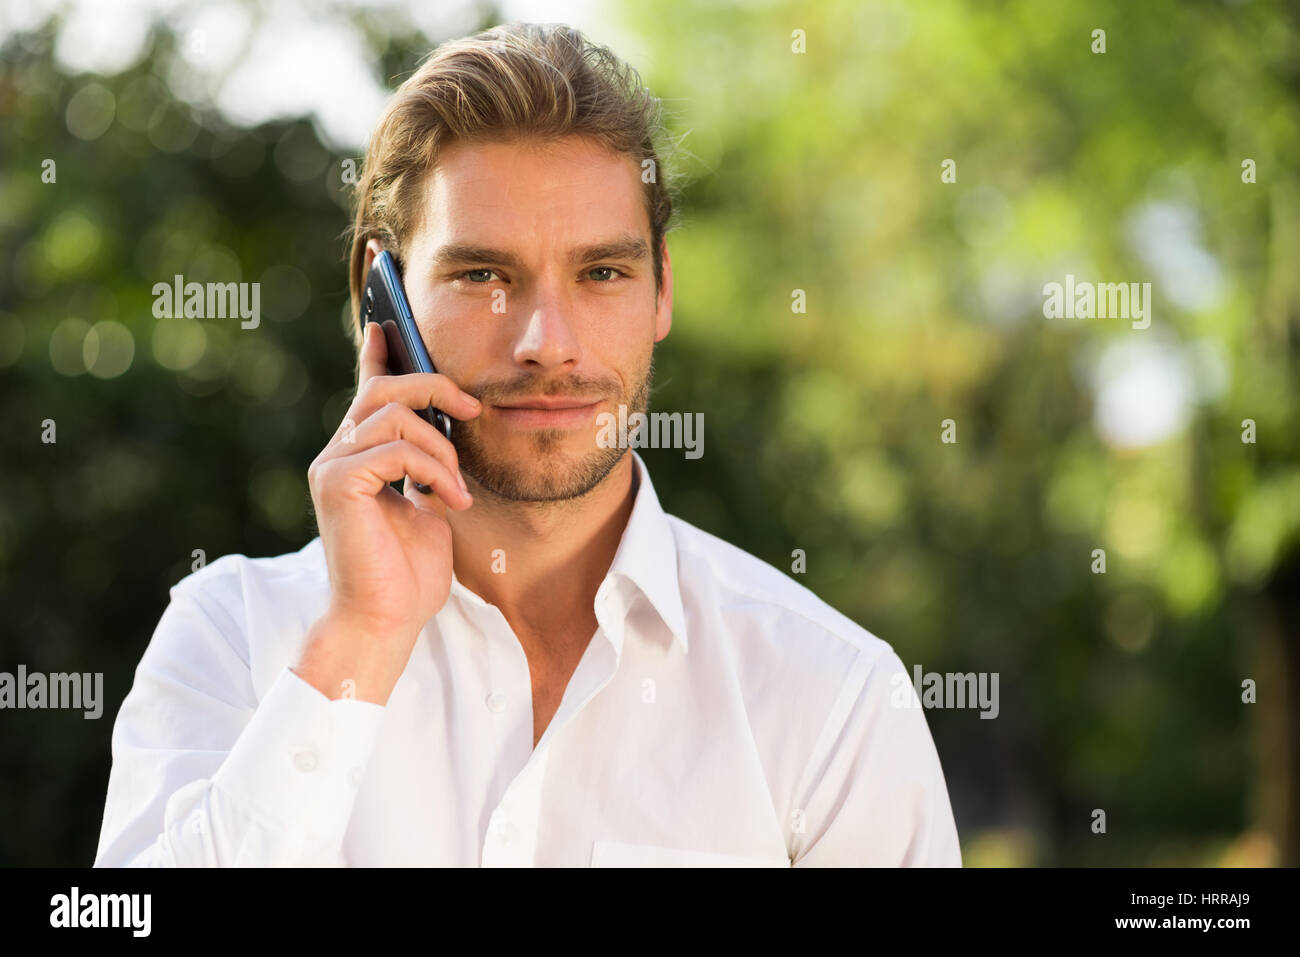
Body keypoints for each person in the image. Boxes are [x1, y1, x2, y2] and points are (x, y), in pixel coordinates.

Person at [94, 21, 961, 867]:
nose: (547, 340)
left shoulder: (833, 697)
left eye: (601, 273)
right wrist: (359, 641)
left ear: (661, 290)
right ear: (378, 296)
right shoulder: (230, 639)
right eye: (483, 276)